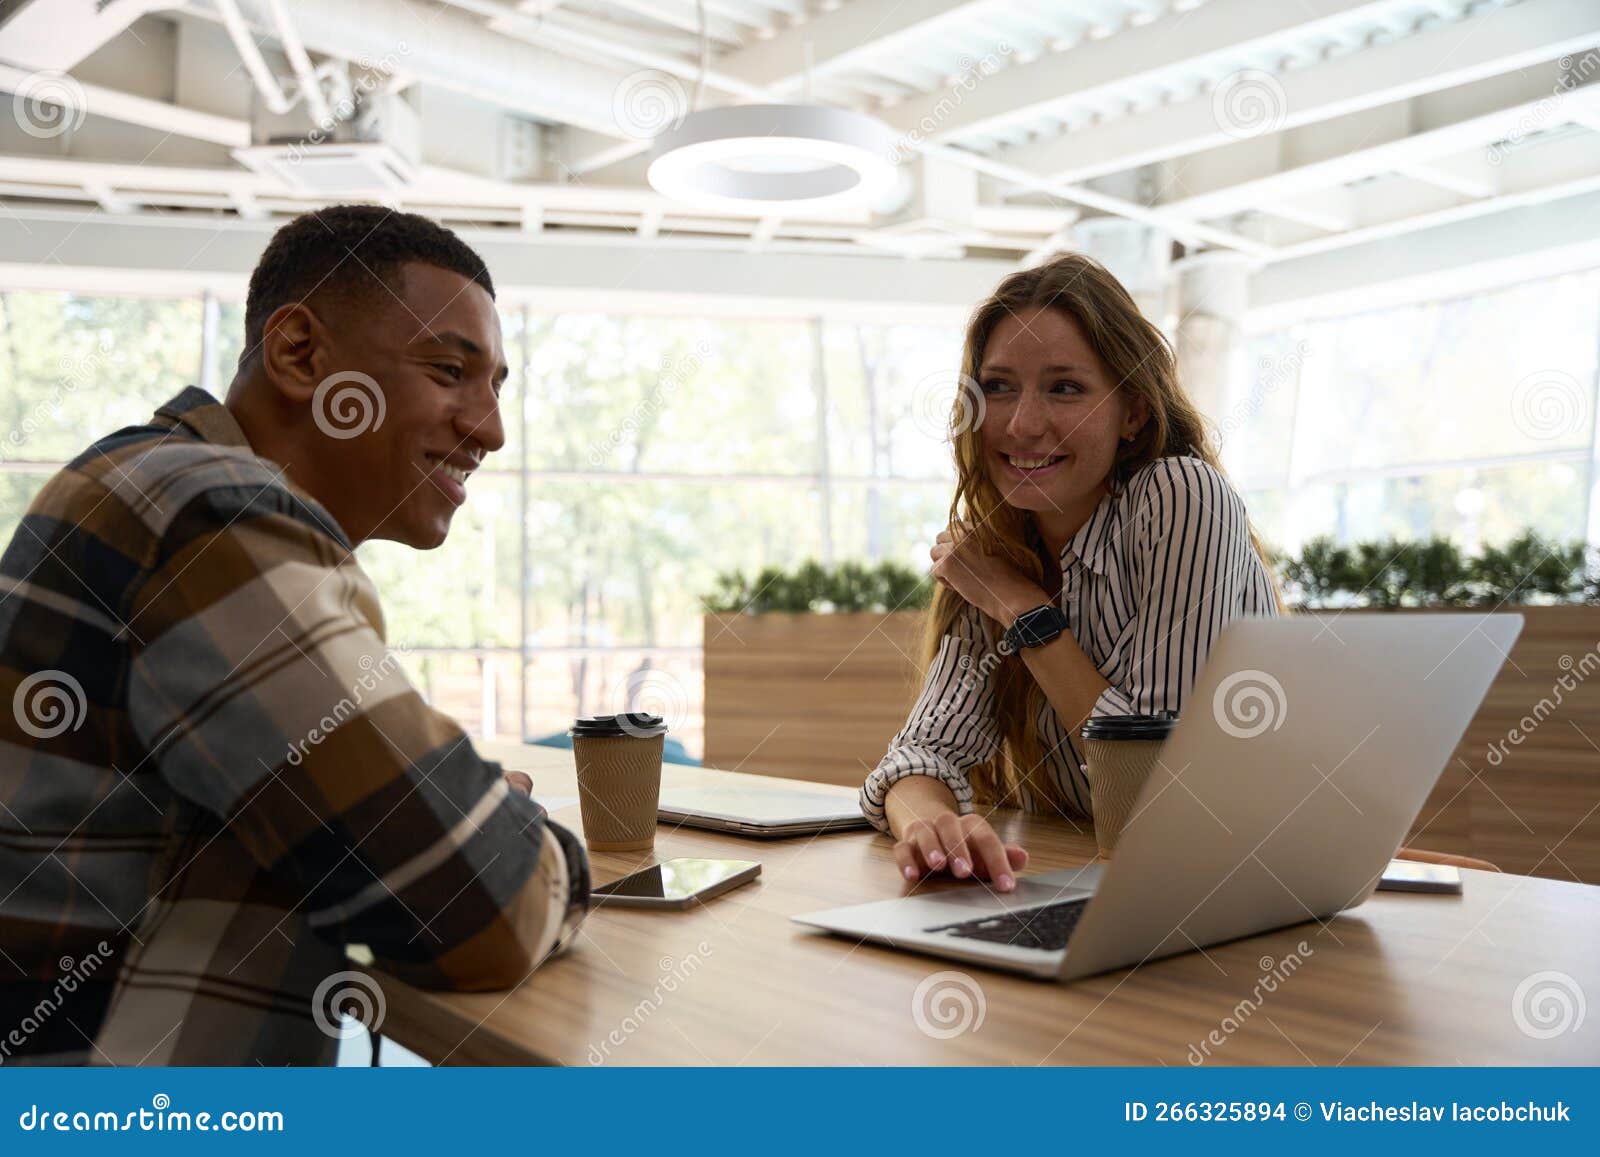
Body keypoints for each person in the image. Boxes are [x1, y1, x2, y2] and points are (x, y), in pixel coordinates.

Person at [0, 206, 587, 1066]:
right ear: (301, 355)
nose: (490, 428)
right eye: (449, 370)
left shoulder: (147, 476)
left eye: (497, 386)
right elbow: (479, 908)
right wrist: (541, 844)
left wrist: (445, 807)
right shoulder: (209, 514)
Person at [860, 253, 1279, 892]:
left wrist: (1028, 615)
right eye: (998, 387)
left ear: (1133, 412)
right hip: (1099, 888)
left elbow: (1162, 792)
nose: (1024, 424)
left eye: (1065, 387)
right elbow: (921, 756)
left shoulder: (1179, 494)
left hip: (1227, 888)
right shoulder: (997, 551)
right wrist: (930, 822)